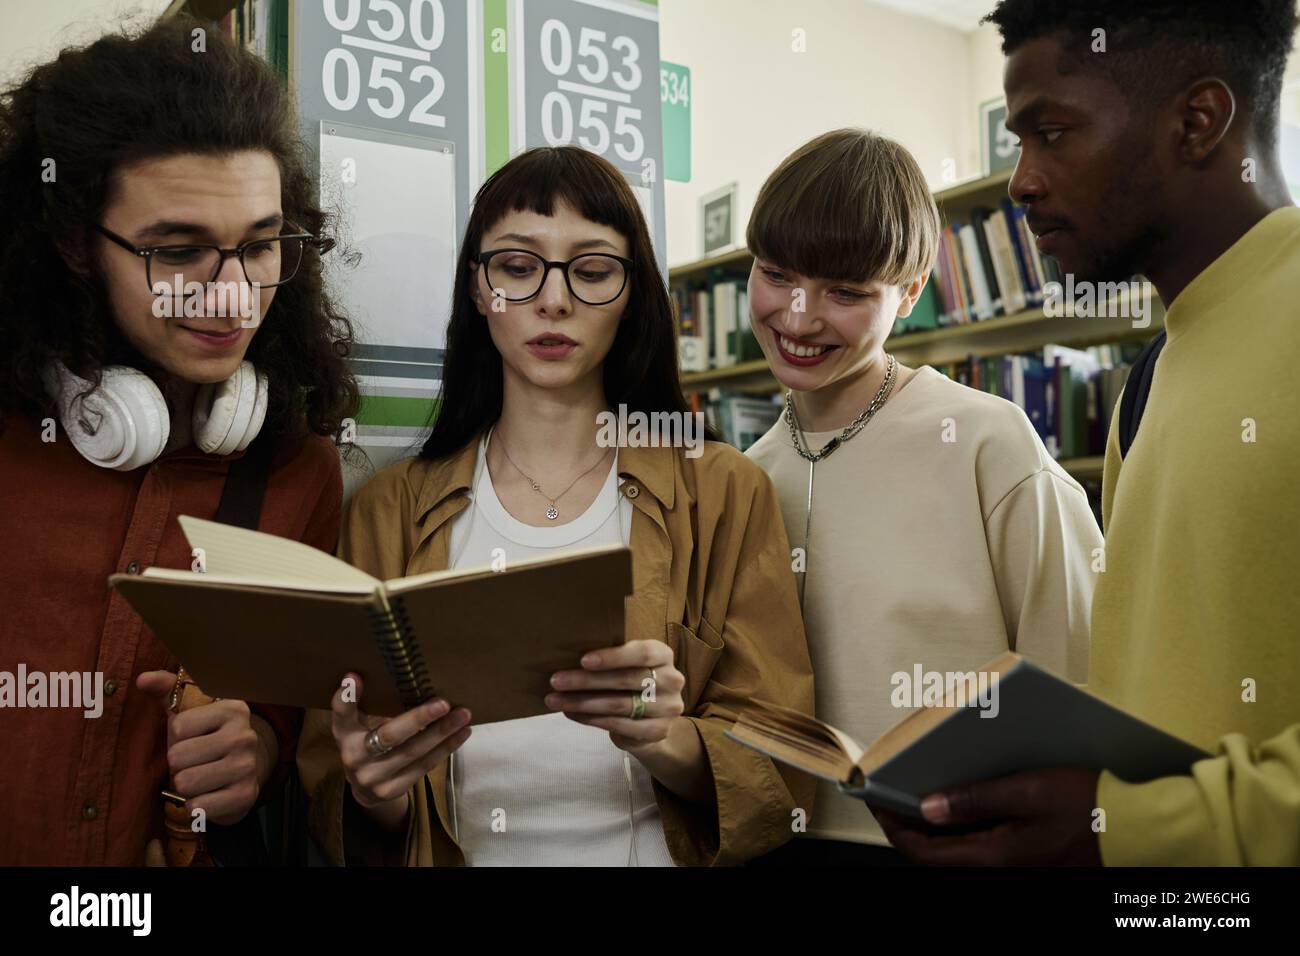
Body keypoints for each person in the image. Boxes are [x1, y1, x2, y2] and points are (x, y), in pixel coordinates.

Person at [296, 145, 816, 867]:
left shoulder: (724, 491)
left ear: (631, 292)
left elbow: (786, 777)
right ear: (478, 290)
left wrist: (667, 737)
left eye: (593, 270)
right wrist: (377, 791)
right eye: (516, 267)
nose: (554, 299)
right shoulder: (387, 509)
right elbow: (328, 789)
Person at [877, 0, 1300, 865]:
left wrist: (1121, 828)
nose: (1021, 181)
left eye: (1053, 132)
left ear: (1198, 121)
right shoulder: (1152, 375)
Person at [0, 18, 358, 865]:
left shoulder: (299, 471)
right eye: (179, 251)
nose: (234, 297)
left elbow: (277, 718)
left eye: (262, 245)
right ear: (72, 244)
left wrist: (255, 756)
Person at [744, 128, 1102, 864]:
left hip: (966, 850)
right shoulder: (748, 476)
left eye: (845, 292)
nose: (800, 316)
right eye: (777, 273)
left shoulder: (986, 442)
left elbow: (1079, 680)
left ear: (910, 294)